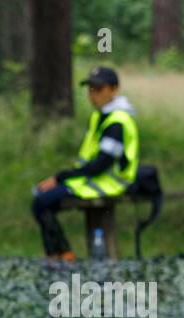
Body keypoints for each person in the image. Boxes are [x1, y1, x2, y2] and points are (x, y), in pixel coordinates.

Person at [32, 66, 141, 262]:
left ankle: (62, 255)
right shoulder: (99, 116)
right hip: (92, 180)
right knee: (41, 197)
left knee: (43, 201)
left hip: (108, 183)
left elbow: (101, 164)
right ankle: (59, 254)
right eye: (90, 89)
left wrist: (60, 177)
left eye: (98, 89)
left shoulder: (118, 121)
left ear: (114, 89)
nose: (93, 95)